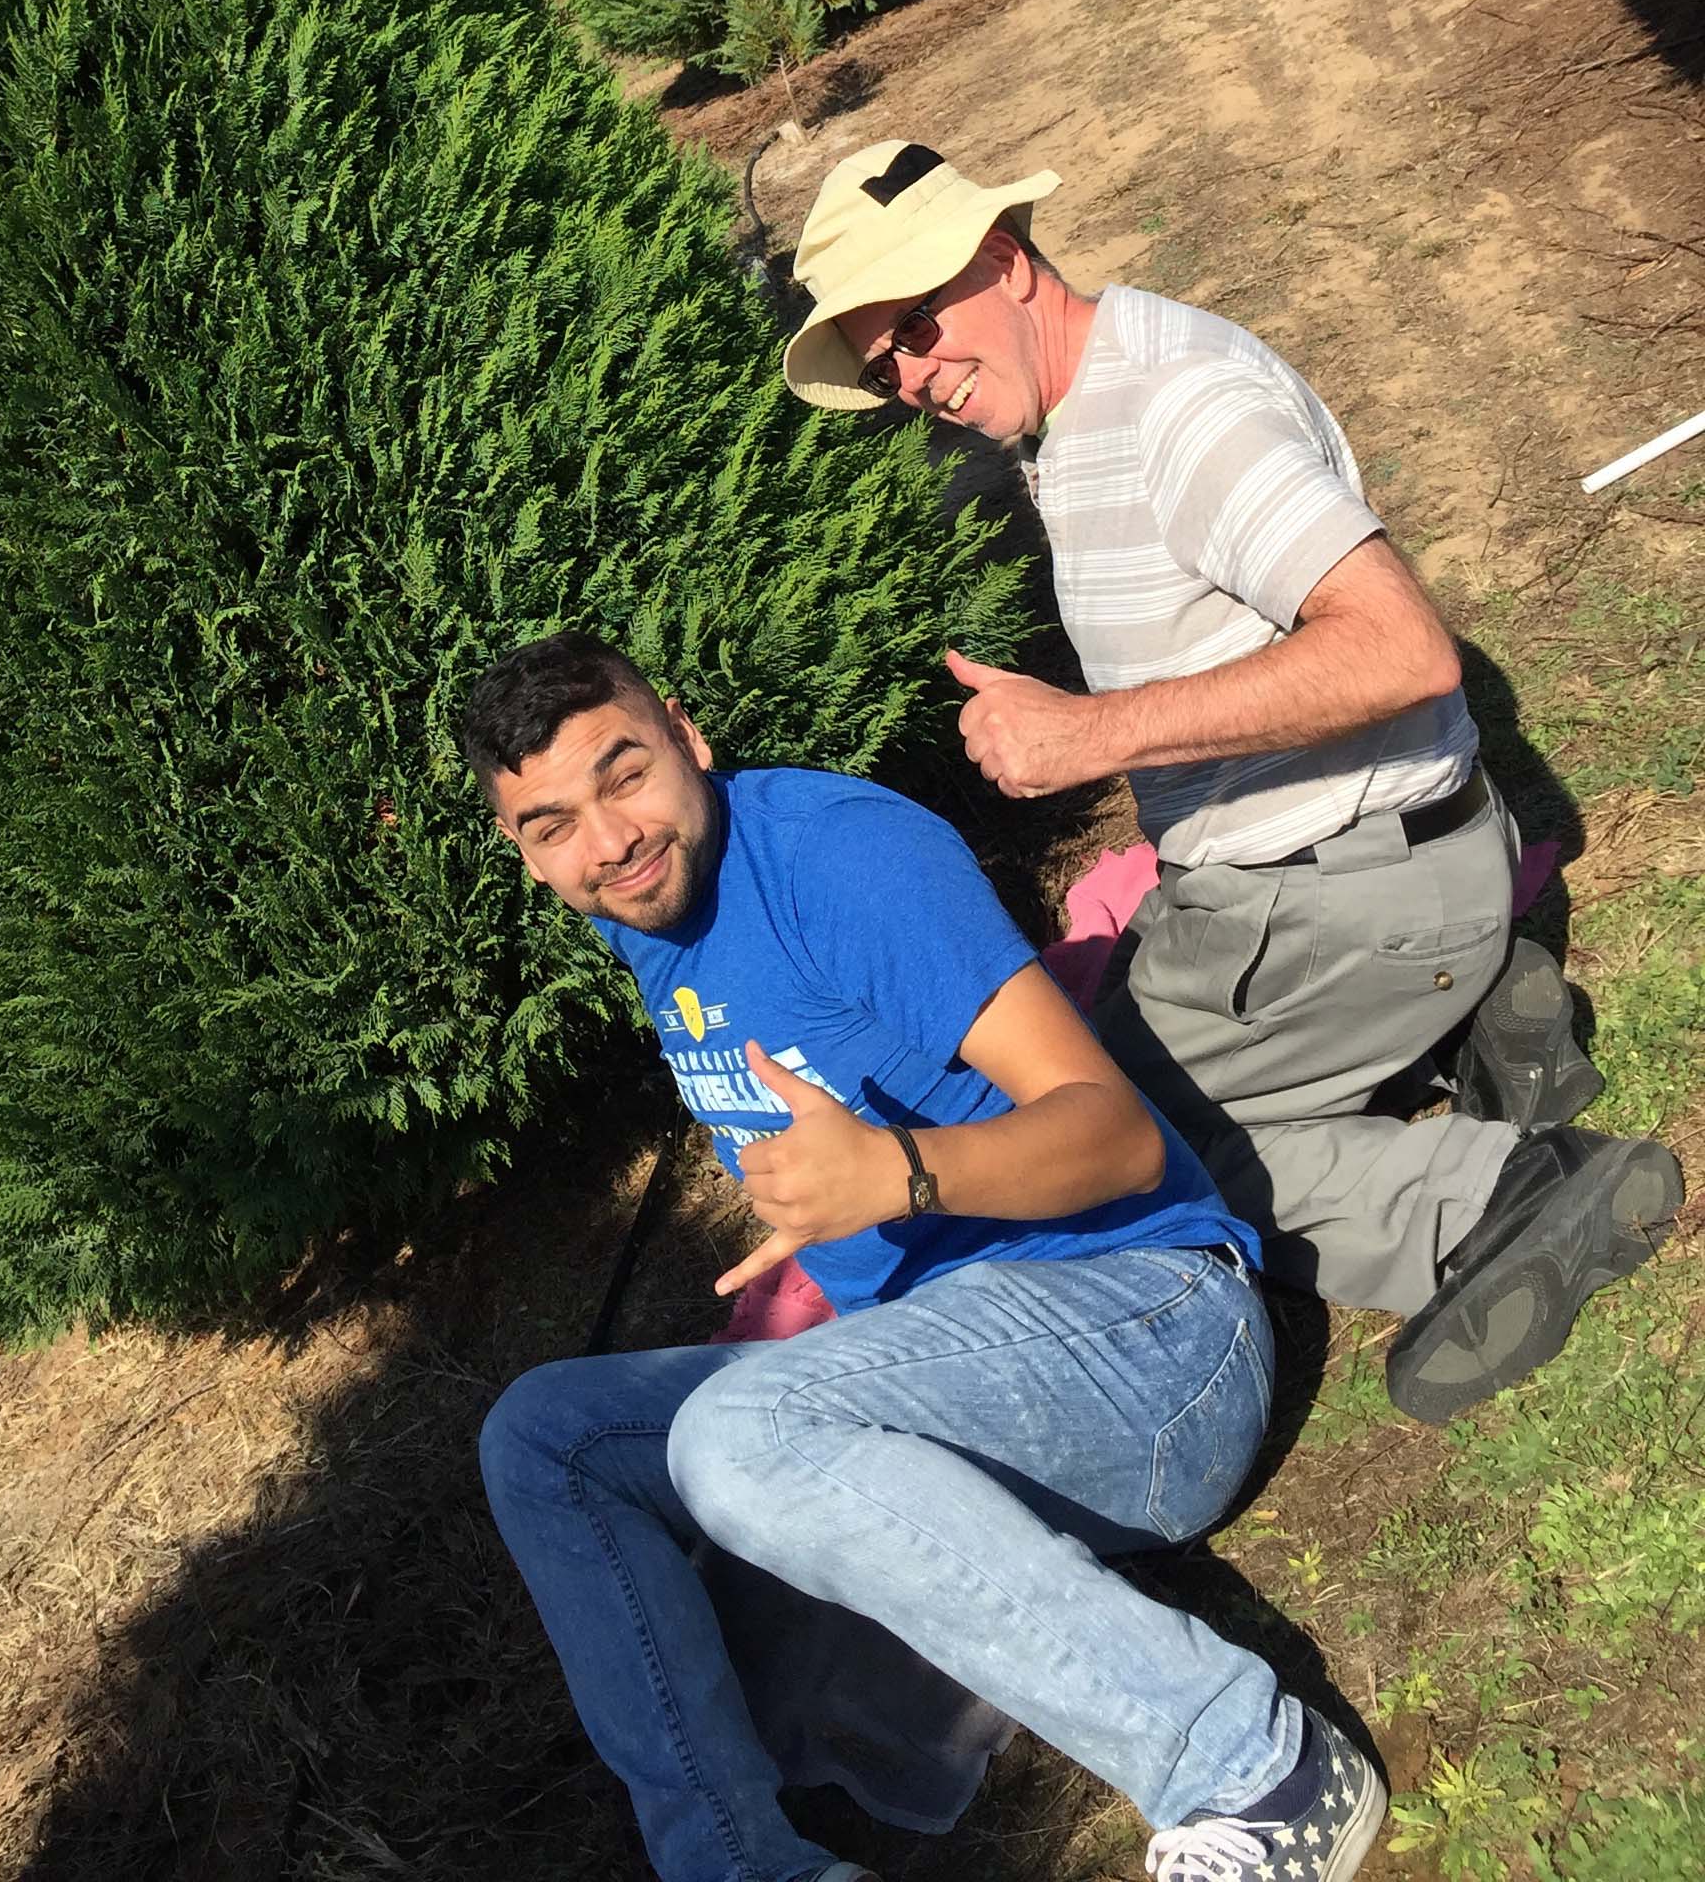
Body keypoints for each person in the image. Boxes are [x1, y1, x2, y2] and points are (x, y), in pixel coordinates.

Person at [778, 140, 1685, 1420]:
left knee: (1111, 1151)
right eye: (884, 366)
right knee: (1078, 1083)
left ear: (1002, 257)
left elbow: (1400, 649)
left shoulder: (1178, 409)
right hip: (1320, 887)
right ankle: (1466, 1009)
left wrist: (1091, 738)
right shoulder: (1077, 407)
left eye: (918, 328)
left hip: (1351, 894)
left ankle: (1496, 1194)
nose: (914, 377)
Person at [467, 630, 1387, 1882]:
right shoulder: (642, 912)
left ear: (688, 735)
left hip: (1153, 1341)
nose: (609, 839)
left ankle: (1251, 1764)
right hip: (963, 1377)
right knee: (543, 1437)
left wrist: (895, 1176)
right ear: (521, 854)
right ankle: (744, 1866)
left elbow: (1115, 1136)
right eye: (552, 824)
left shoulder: (839, 858)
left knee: (736, 1439)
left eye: (624, 775)